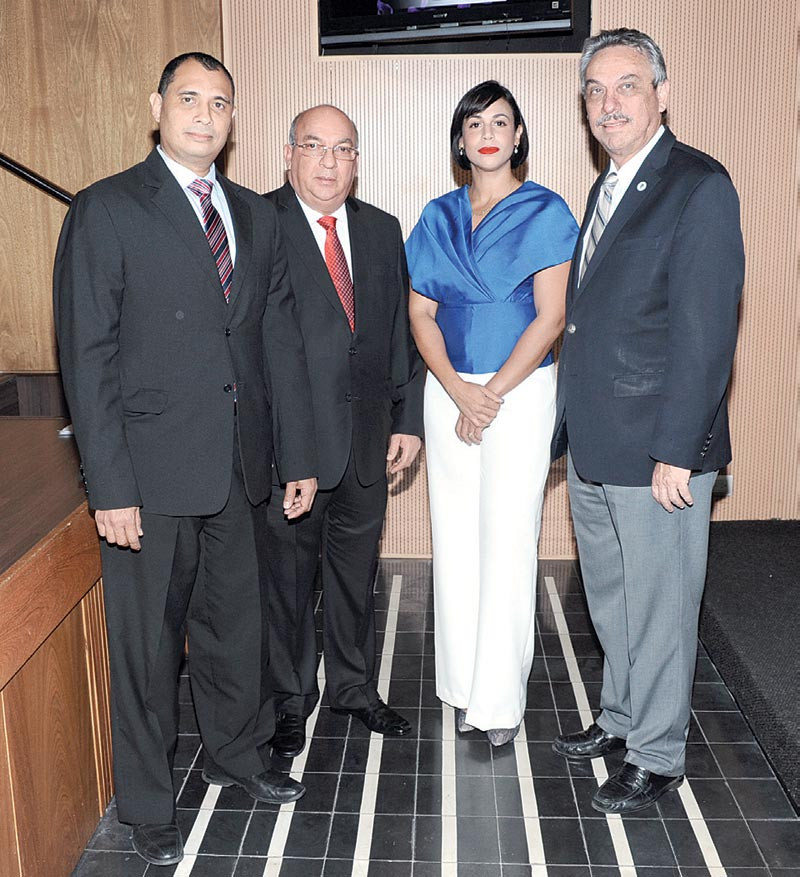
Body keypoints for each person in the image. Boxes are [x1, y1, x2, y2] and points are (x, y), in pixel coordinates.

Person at [53, 53, 318, 867]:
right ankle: (146, 804)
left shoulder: (257, 215)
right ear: (157, 106)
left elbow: (277, 340)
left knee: (235, 631)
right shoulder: (107, 209)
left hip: (240, 471)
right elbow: (85, 357)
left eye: (221, 104)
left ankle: (236, 758)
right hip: (150, 478)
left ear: (235, 119)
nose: (205, 115)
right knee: (147, 649)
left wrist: (295, 455)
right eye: (189, 99)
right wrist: (110, 485)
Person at [550, 28, 744, 814]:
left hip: (660, 451)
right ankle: (622, 718)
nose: (608, 103)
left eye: (626, 85)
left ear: (661, 94)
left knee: (662, 605)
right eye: (595, 90)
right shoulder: (611, 184)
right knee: (614, 597)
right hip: (598, 442)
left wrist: (679, 452)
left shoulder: (698, 185)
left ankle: (658, 754)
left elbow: (705, 337)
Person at [406, 81, 578, 746]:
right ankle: (463, 683)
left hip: (521, 392)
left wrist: (493, 393)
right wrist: (456, 388)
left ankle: (499, 702)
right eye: (475, 122)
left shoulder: (546, 211)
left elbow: (552, 315)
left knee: (509, 539)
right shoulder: (436, 215)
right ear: (459, 139)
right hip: (447, 392)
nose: (487, 132)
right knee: (453, 536)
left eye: (500, 121)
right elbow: (420, 313)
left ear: (517, 137)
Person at [262, 105, 424, 758]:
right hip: (288, 451)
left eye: (344, 149)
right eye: (315, 146)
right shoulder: (258, 222)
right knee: (288, 587)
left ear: (358, 159)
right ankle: (290, 701)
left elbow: (398, 336)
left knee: (356, 580)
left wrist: (407, 421)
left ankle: (353, 687)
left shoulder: (383, 231)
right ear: (288, 152)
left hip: (365, 445)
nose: (330, 162)